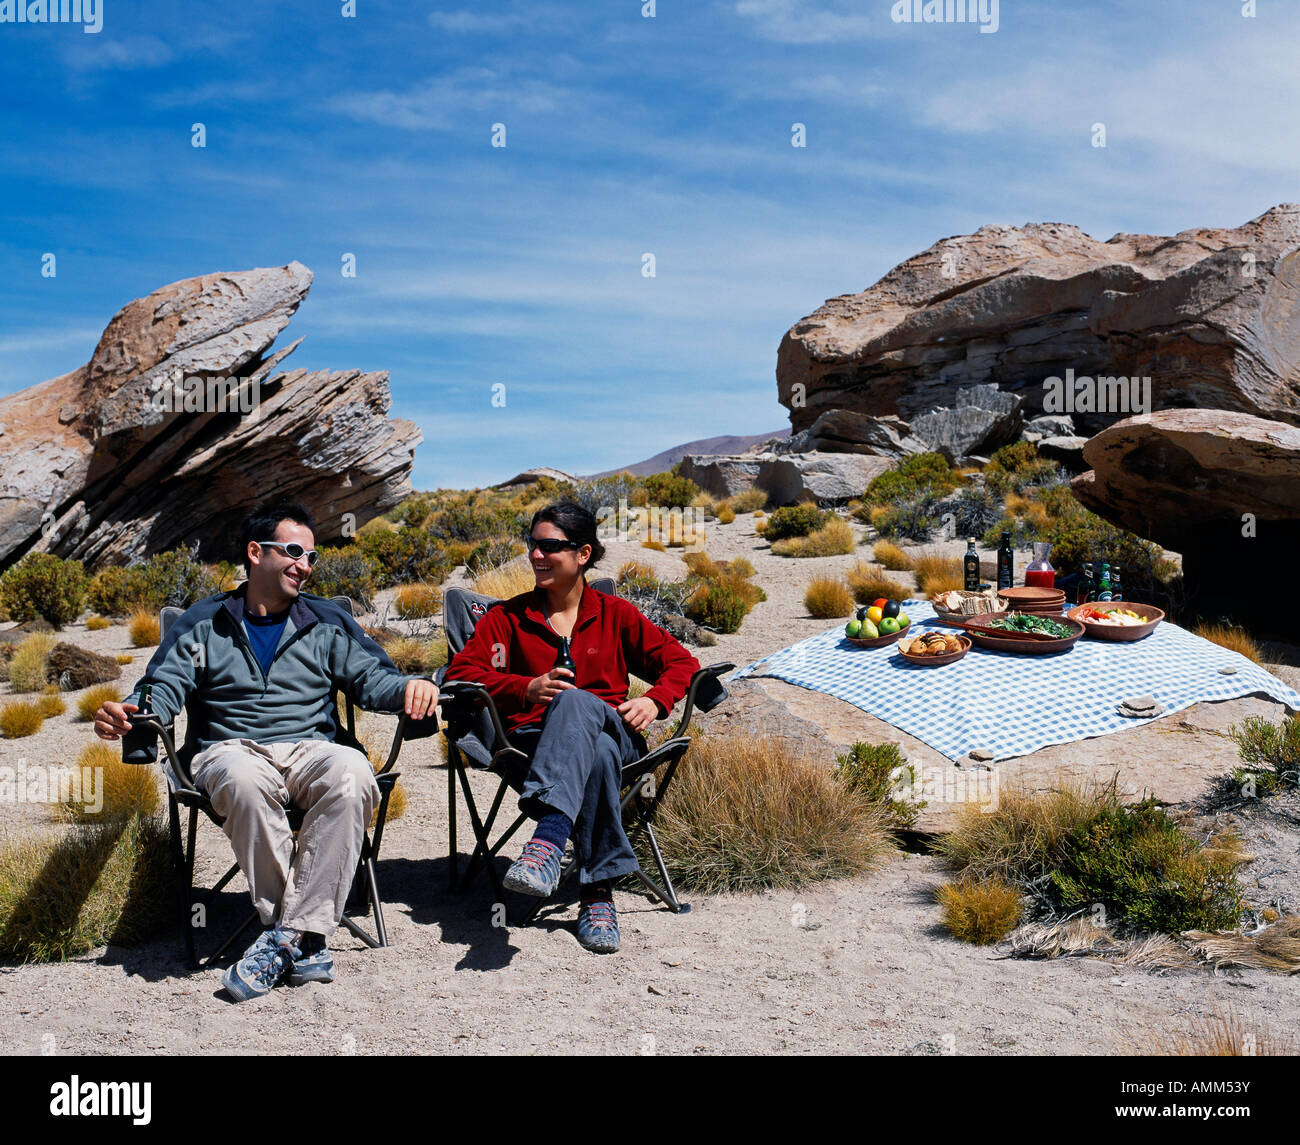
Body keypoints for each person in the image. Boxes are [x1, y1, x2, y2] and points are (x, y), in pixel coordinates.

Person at [93, 500, 439, 1001]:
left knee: (352, 772)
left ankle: (285, 938)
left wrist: (410, 688)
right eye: (294, 551)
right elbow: (160, 688)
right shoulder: (203, 623)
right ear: (256, 553)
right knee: (243, 780)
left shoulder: (326, 622)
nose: (305, 565)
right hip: (229, 749)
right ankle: (306, 935)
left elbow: (373, 679)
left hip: (312, 748)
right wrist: (130, 711)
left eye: (312, 557)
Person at [444, 500, 700, 953]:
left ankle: (548, 838)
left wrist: (655, 700)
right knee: (595, 753)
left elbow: (681, 662)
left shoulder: (615, 614)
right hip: (531, 747)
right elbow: (460, 675)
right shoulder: (507, 618)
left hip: (617, 733)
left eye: (549, 546)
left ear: (583, 554)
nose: (537, 556)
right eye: (533, 545)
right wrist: (524, 688)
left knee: (580, 703)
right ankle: (597, 893)